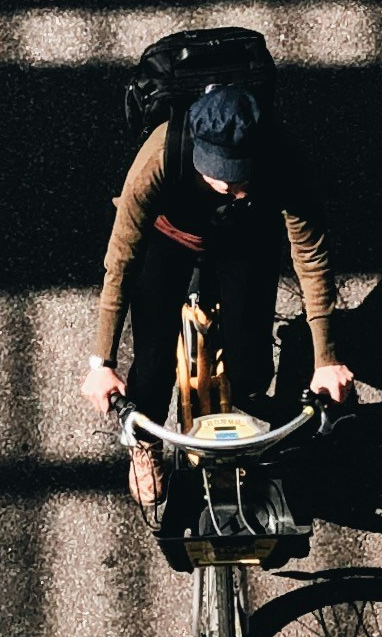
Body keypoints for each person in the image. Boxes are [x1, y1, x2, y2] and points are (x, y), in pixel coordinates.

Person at [82, 79, 354, 512]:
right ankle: (147, 444)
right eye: (219, 174)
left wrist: (327, 358)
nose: (232, 188)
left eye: (242, 175)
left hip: (247, 239)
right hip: (169, 237)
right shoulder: (158, 157)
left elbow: (311, 256)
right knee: (151, 365)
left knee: (250, 367)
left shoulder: (283, 161)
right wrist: (102, 361)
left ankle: (248, 401)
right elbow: (121, 262)